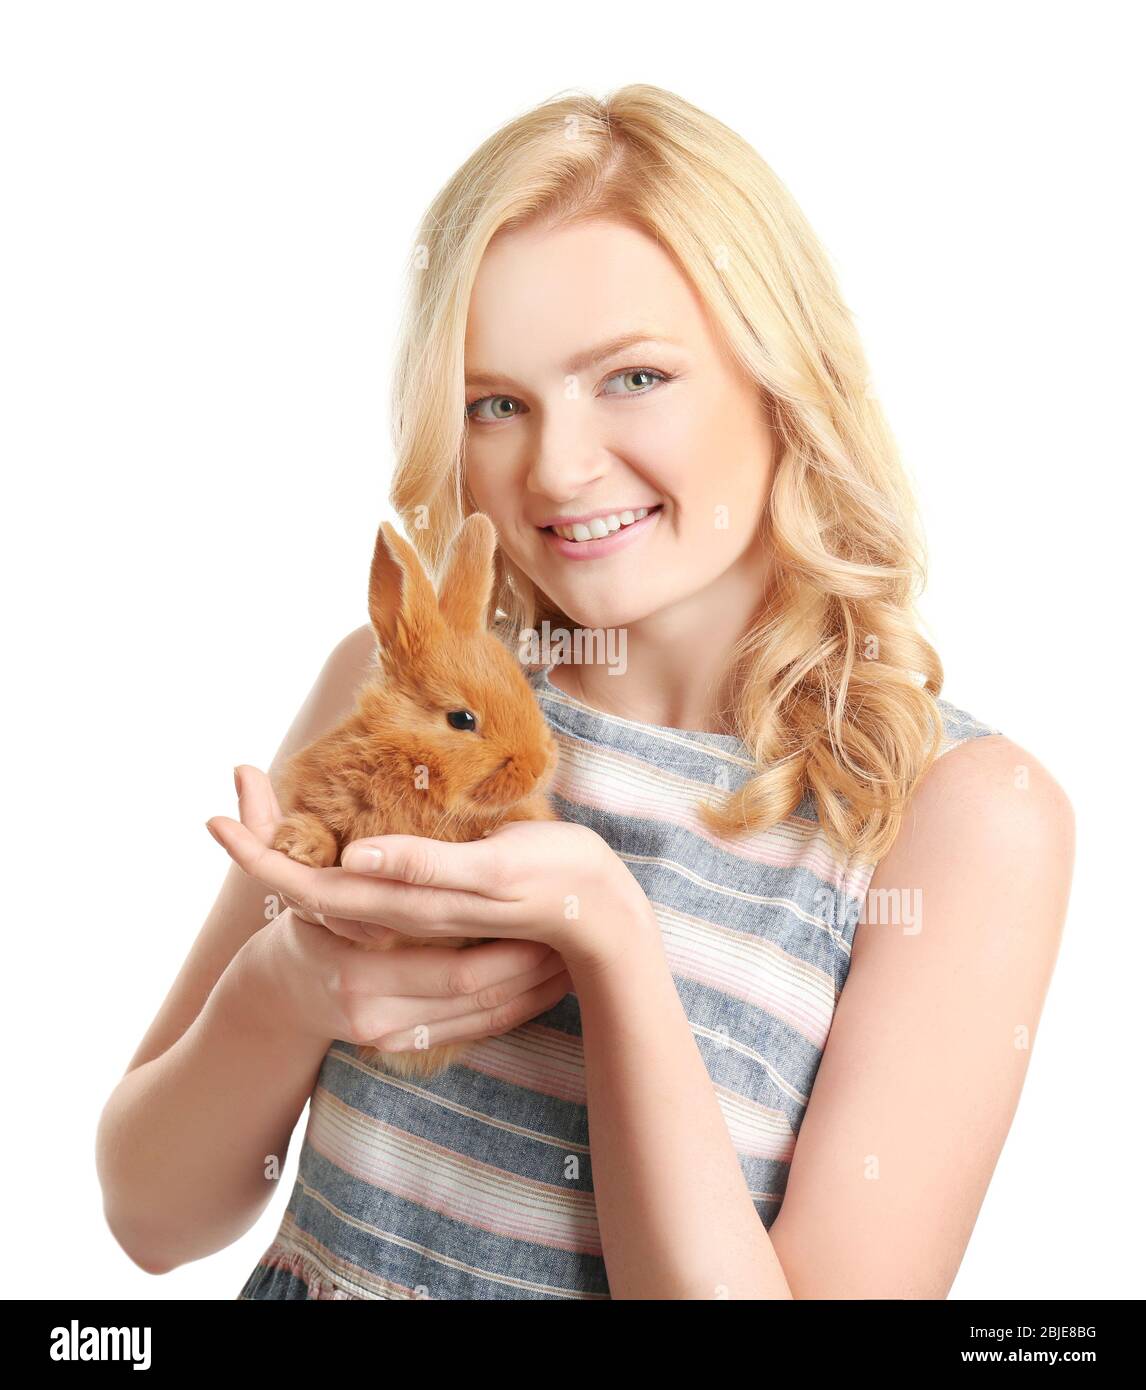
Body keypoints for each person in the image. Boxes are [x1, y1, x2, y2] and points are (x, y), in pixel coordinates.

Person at [96, 84, 1074, 1300]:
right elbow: (150, 1215)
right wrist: (289, 988)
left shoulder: (951, 814)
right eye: (495, 402)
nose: (557, 466)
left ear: (782, 374)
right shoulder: (399, 685)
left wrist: (611, 940)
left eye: (633, 378)